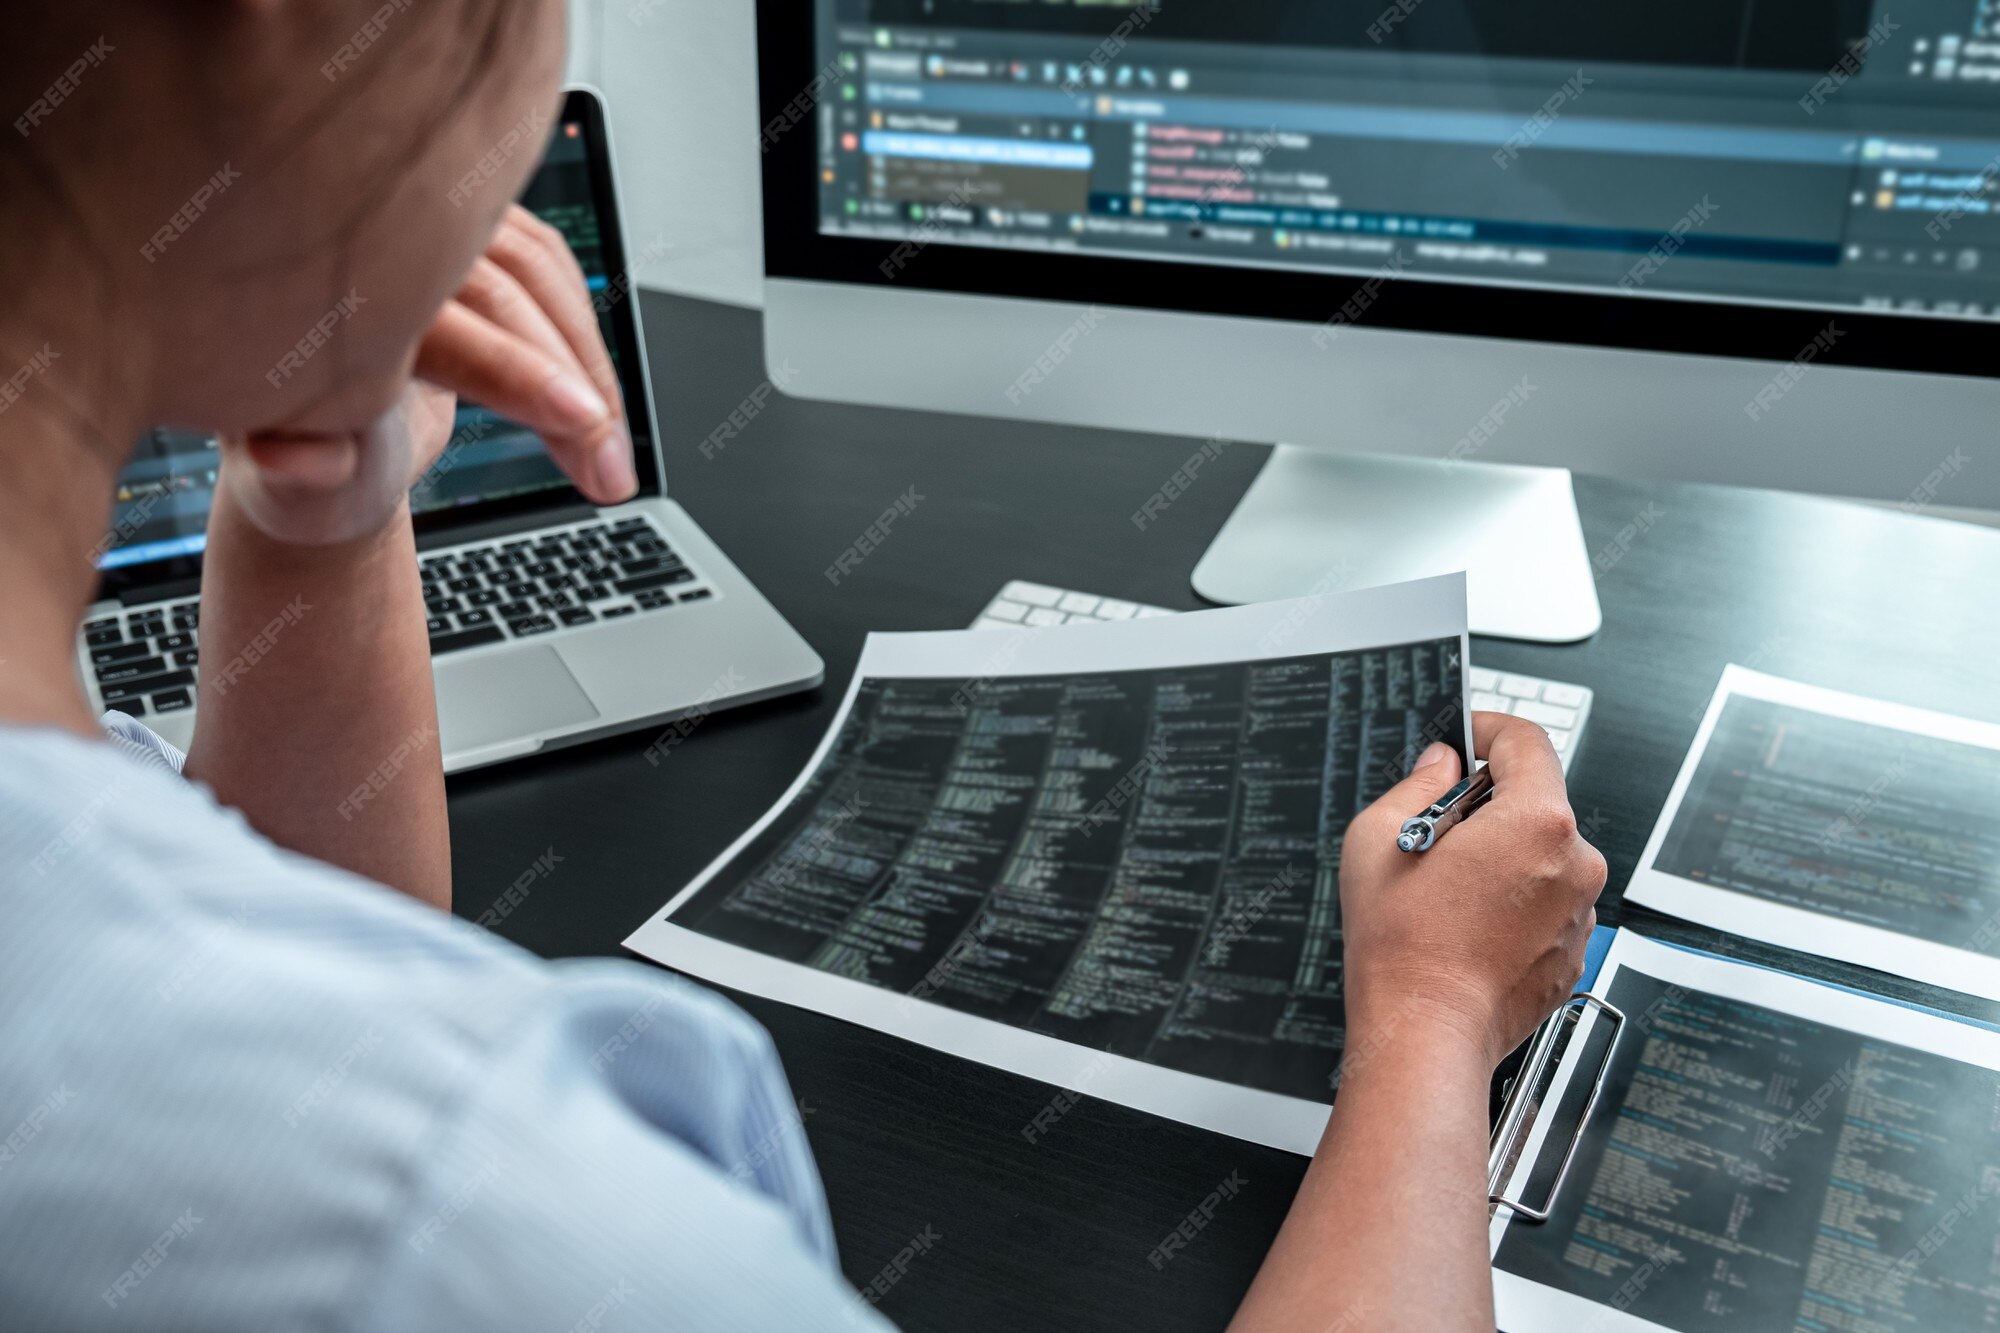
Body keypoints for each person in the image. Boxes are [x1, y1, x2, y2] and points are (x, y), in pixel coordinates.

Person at [0, 2, 1604, 1329]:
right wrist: (1434, 1021)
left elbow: (287, 959)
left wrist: (319, 510)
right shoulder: (473, 1219)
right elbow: (315, 1075)